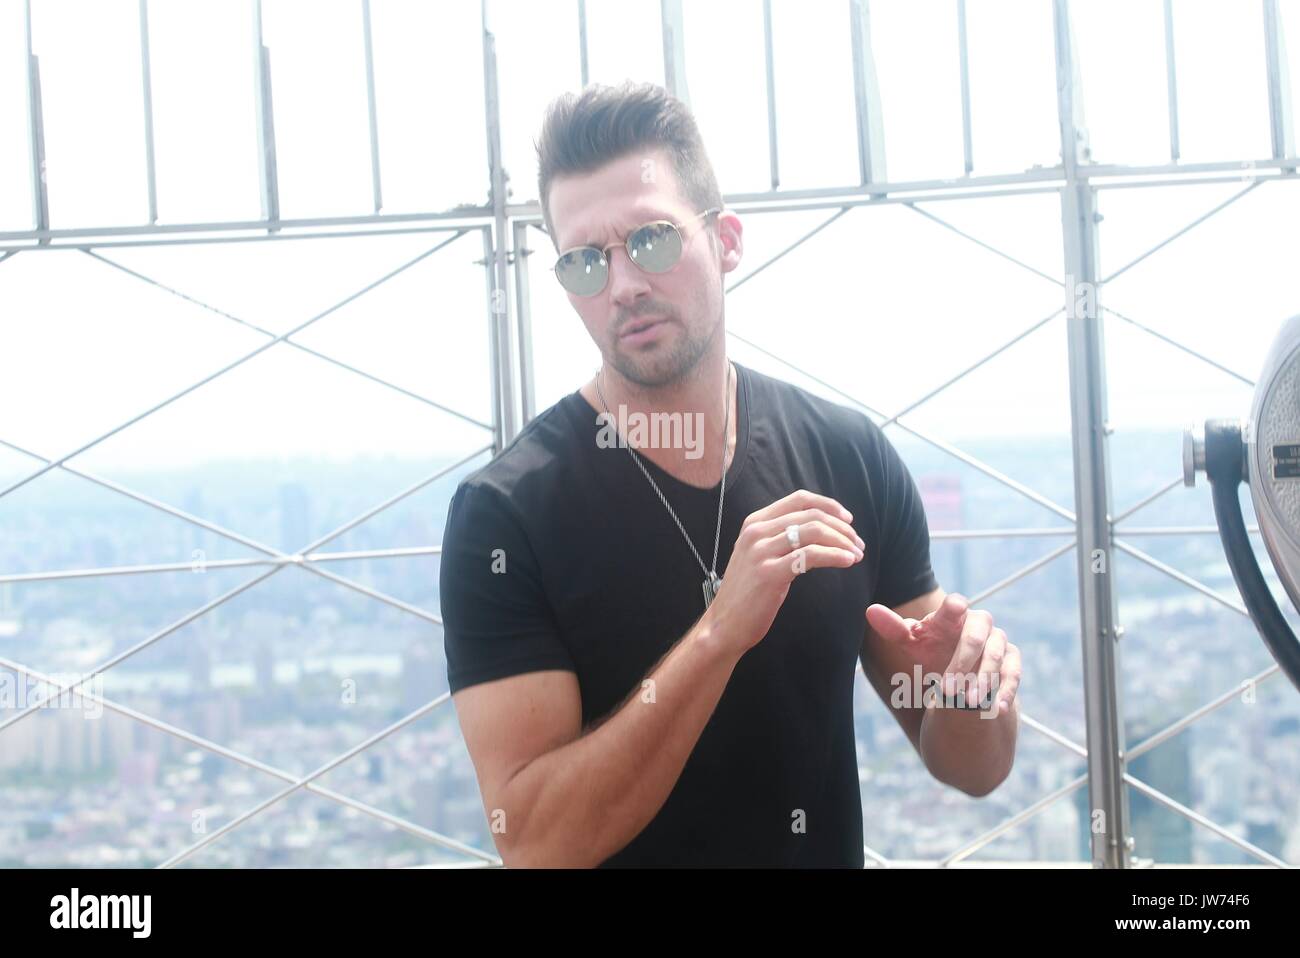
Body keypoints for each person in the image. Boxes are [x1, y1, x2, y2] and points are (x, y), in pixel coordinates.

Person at [439, 80, 1021, 868]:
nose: (623, 286)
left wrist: (970, 696)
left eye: (651, 240)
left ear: (727, 240)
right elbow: (537, 841)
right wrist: (719, 635)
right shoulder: (505, 515)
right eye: (583, 262)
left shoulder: (847, 455)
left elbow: (969, 767)